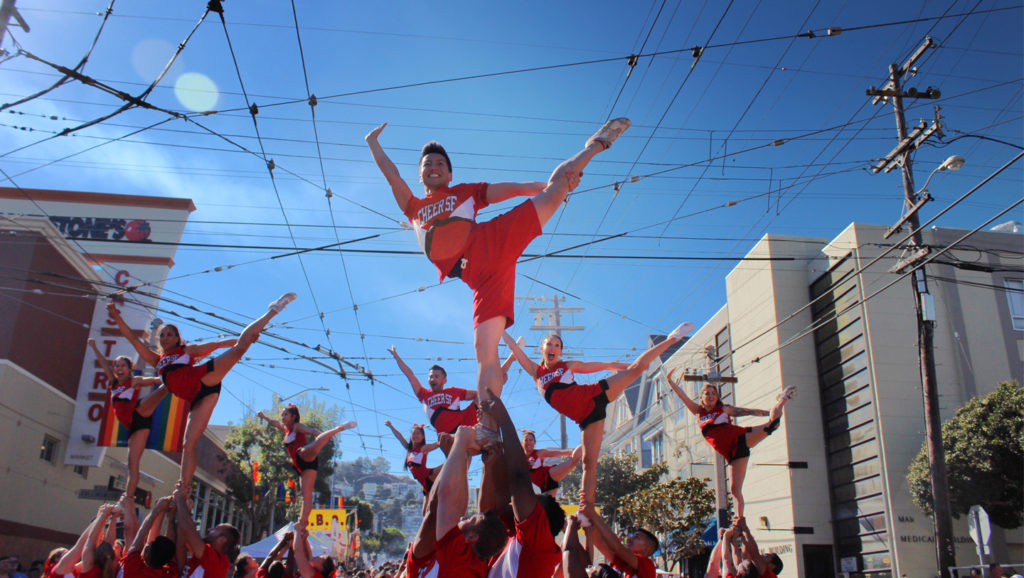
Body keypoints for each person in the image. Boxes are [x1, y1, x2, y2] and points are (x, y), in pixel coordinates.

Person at [366, 119, 631, 438]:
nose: (434, 167)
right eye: (428, 164)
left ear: (450, 174)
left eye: (440, 164)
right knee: (484, 348)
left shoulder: (465, 192)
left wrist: (542, 189)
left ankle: (596, 144)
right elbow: (391, 174)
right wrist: (373, 144)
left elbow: (504, 190)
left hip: (495, 239)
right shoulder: (412, 207)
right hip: (479, 277)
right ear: (421, 174)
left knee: (559, 183)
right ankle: (487, 425)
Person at [108, 293, 296, 489]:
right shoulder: (157, 361)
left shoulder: (186, 351)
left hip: (204, 377)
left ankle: (273, 310)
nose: (165, 338)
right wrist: (116, 315)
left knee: (241, 347)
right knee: (188, 444)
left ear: (177, 338)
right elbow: (132, 338)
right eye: (162, 335)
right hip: (198, 399)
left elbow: (219, 344)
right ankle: (183, 488)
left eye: (169, 334)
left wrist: (247, 339)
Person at [503, 325, 692, 507]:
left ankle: (671, 339)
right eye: (549, 344)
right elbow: (514, 348)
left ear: (561, 351)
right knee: (588, 464)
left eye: (557, 345)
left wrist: (627, 367)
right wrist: (499, 330)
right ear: (542, 348)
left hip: (595, 395)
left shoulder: (567, 365)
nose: (553, 348)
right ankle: (586, 507)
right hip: (587, 419)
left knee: (637, 368)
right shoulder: (536, 372)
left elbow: (605, 365)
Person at [666, 369, 795, 520]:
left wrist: (765, 413)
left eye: (714, 394)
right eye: (707, 394)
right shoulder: (698, 411)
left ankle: (783, 399)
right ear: (701, 397)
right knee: (734, 490)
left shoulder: (723, 409)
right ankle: (739, 519)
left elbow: (745, 411)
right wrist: (670, 382)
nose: (711, 396)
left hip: (740, 438)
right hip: (731, 454)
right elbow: (683, 396)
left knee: (771, 425)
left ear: (717, 397)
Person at [479, 394, 565, 578]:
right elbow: (489, 513)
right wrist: (491, 465)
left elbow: (519, 479)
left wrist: (502, 417)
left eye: (534, 501)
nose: (526, 500)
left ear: (543, 520)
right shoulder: (512, 534)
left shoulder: (538, 545)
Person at [87, 339, 167, 502]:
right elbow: (104, 364)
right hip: (133, 426)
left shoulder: (134, 381)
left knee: (162, 388)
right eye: (116, 366)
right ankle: (128, 499)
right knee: (132, 464)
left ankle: (175, 378)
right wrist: (94, 346)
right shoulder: (115, 382)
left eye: (122, 365)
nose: (118, 368)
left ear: (130, 368)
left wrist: (163, 379)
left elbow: (154, 380)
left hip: (139, 413)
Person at [256, 405, 356, 529]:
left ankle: (339, 428)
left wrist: (321, 434)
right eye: (282, 415)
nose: (282, 417)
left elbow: (311, 430)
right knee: (306, 495)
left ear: (293, 417)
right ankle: (303, 522)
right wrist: (264, 416)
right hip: (301, 466)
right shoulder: (286, 430)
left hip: (303, 454)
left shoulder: (296, 426)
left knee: (315, 443)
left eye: (285, 414)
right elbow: (274, 423)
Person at [432, 427, 506, 576]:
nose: (463, 517)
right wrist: (463, 455)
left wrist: (461, 440)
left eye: (471, 520)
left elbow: (448, 497)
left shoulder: (458, 558)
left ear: (472, 537)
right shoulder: (474, 565)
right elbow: (454, 503)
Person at [173, 486, 239, 578]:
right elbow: (183, 541)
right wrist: (185, 508)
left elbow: (188, 530)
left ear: (221, 540)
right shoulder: (204, 557)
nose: (209, 530)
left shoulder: (217, 563)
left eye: (215, 529)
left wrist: (180, 499)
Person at [579, 503, 658, 578]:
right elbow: (599, 542)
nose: (630, 539)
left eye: (637, 537)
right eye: (632, 536)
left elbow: (617, 547)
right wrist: (586, 521)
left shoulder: (648, 565)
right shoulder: (621, 561)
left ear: (648, 548)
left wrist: (593, 515)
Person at [122, 495, 179, 578]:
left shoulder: (133, 569)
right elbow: (171, 547)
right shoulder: (170, 574)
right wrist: (171, 515)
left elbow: (141, 534)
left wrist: (157, 509)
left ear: (147, 554)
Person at [384, 420, 441, 499]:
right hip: (423, 483)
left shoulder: (424, 448)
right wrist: (391, 426)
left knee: (449, 464)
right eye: (413, 433)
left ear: (423, 436)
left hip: (429, 476)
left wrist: (447, 438)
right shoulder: (409, 449)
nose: (415, 436)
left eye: (418, 433)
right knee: (428, 510)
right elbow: (400, 437)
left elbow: (438, 444)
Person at [521, 430, 582, 497]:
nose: (528, 442)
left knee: (573, 461)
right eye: (526, 440)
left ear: (534, 442)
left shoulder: (539, 453)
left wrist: (571, 452)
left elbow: (558, 453)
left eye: (531, 440)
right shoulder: (517, 457)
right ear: (522, 442)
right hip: (544, 486)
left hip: (550, 475)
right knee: (548, 505)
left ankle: (587, 443)